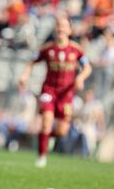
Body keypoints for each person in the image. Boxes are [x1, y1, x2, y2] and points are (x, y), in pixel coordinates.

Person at [19, 14, 92, 168]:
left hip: (66, 94)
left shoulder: (76, 50)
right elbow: (32, 62)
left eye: (64, 26)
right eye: (59, 25)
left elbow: (87, 67)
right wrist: (25, 75)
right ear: (55, 29)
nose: (61, 28)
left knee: (62, 131)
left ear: (70, 30)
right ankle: (41, 156)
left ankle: (45, 138)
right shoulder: (47, 49)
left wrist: (80, 78)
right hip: (49, 90)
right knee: (46, 123)